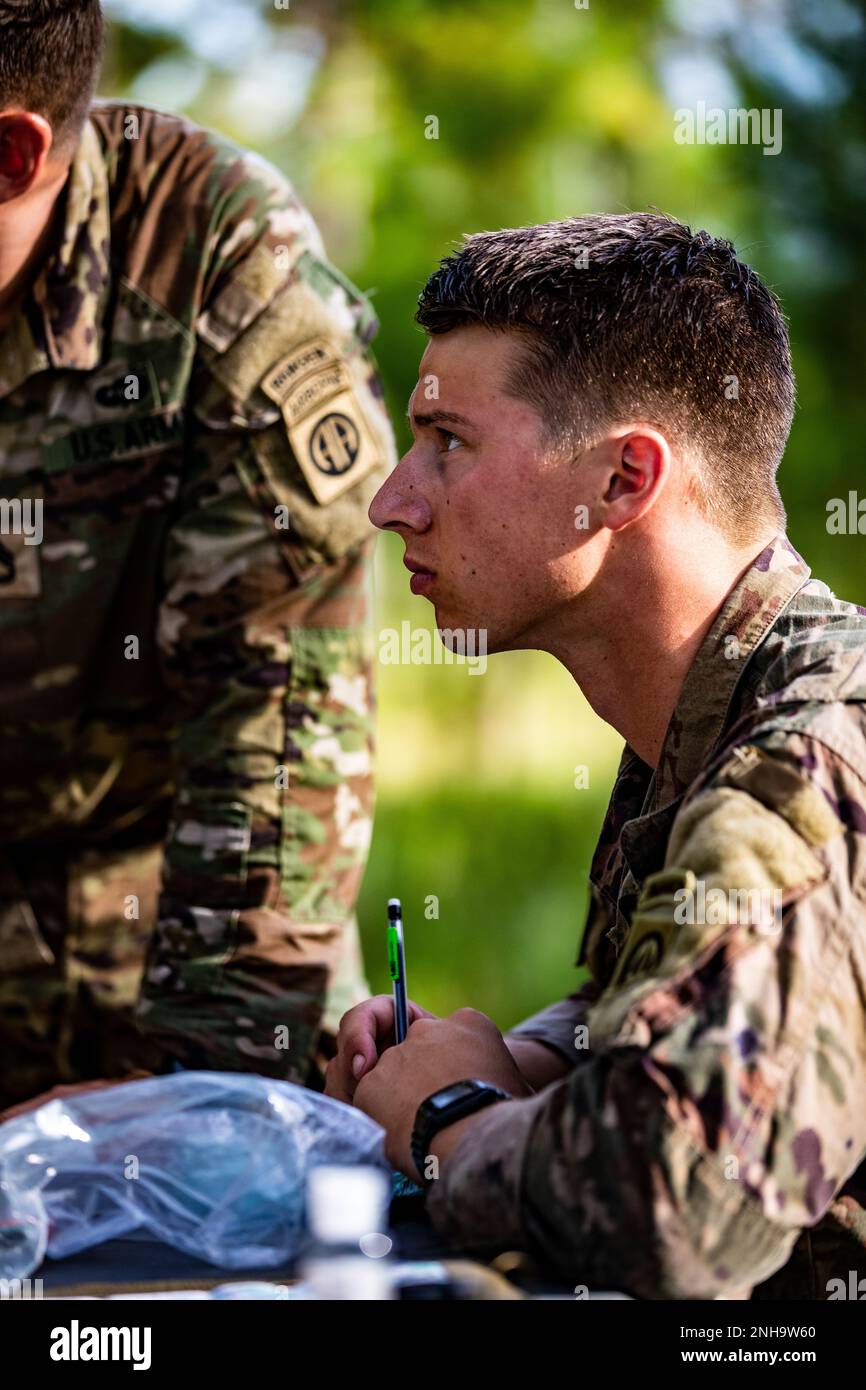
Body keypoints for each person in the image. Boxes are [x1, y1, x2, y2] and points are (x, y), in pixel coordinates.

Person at [327, 212, 866, 1301]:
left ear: (622, 480)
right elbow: (689, 1010)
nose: (393, 502)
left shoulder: (792, 772)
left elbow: (674, 1208)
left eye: (448, 443)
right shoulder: (707, 719)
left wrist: (448, 1118)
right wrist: (528, 1065)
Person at [0, 0, 395, 1111]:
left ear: (10, 153)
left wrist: (185, 1106)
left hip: (188, 952)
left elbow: (276, 715)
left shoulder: (219, 265)